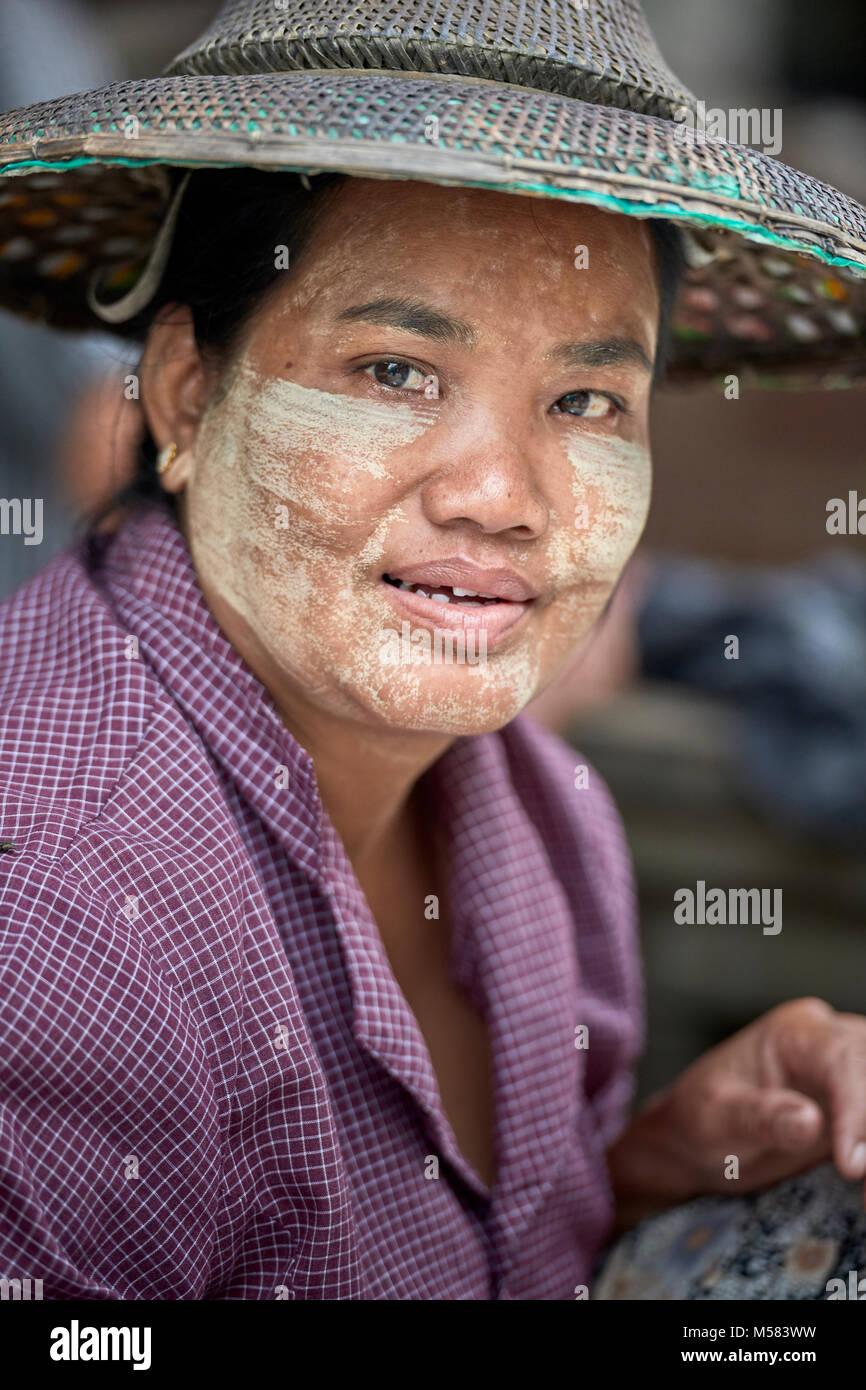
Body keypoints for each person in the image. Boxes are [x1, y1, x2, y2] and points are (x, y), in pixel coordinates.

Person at [0, 0, 865, 1301]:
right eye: (395, 371)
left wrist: (651, 1174)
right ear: (182, 396)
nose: (501, 496)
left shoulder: (540, 805)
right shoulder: (52, 916)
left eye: (583, 401)